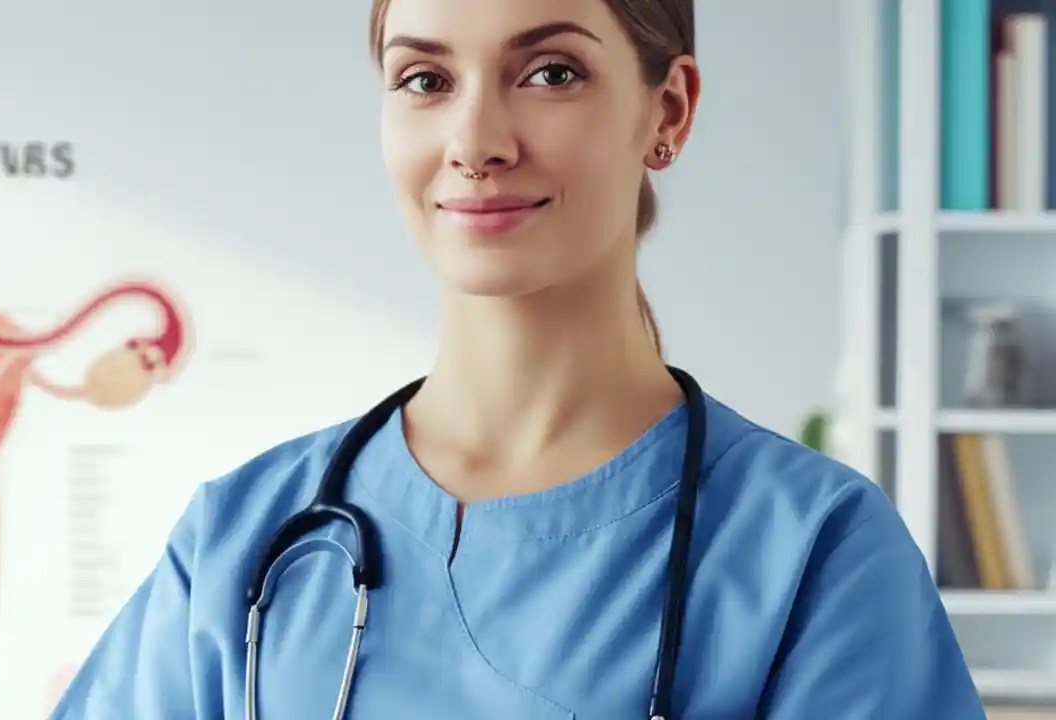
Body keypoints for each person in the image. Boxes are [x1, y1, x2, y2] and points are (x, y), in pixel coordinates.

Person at [51, 0, 987, 717]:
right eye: (425, 80)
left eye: (549, 73)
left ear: (669, 107)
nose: (477, 143)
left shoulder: (813, 552)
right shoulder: (239, 545)